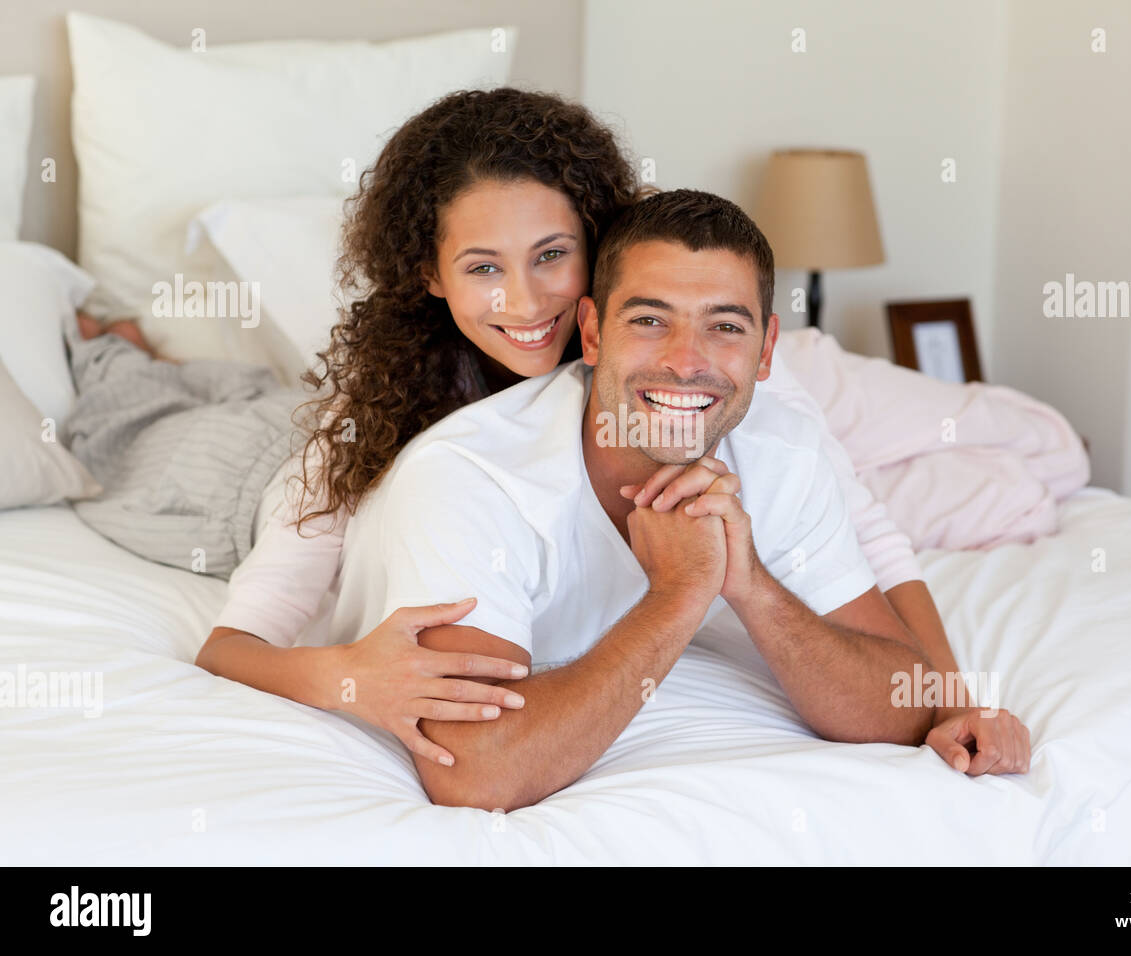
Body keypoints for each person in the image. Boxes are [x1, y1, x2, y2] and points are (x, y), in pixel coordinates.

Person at [326, 189, 1030, 812]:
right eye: (651, 320)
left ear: (765, 349)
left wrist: (751, 585)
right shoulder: (468, 476)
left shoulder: (785, 447)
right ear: (593, 331)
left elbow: (905, 705)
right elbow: (478, 773)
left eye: (724, 326)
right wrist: (679, 595)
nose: (687, 360)